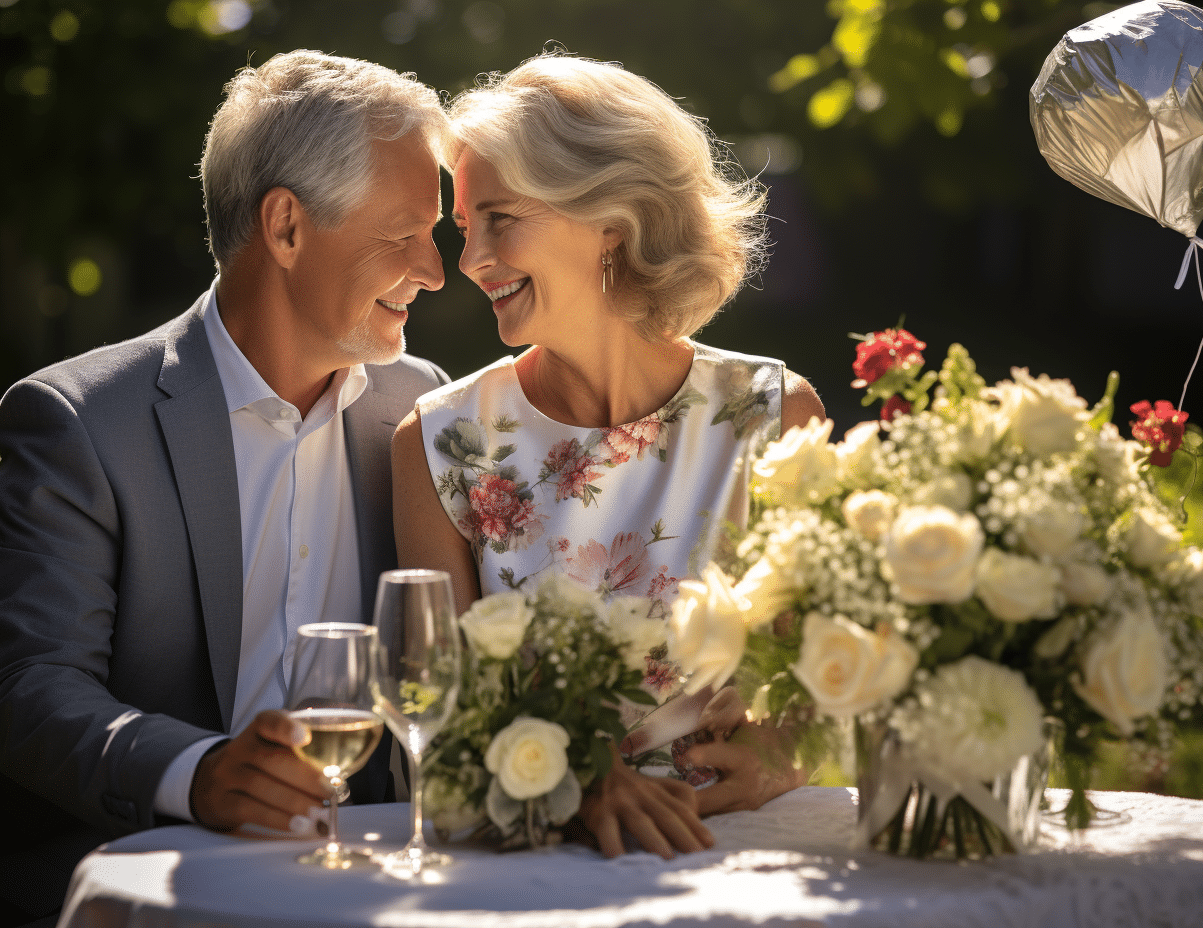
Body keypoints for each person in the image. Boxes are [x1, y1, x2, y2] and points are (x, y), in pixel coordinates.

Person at [0, 50, 448, 922]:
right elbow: (29, 686)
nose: (435, 271)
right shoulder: (80, 421)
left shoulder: (423, 408)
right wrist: (197, 773)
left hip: (385, 885)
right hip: (157, 883)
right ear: (285, 229)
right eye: (403, 236)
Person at [391, 53, 826, 861]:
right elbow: (435, 727)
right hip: (530, 870)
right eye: (464, 228)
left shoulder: (773, 417)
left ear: (610, 222)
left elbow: (830, 677)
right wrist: (577, 781)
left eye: (502, 218)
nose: (472, 259)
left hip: (745, 861)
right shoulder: (439, 444)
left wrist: (786, 750)